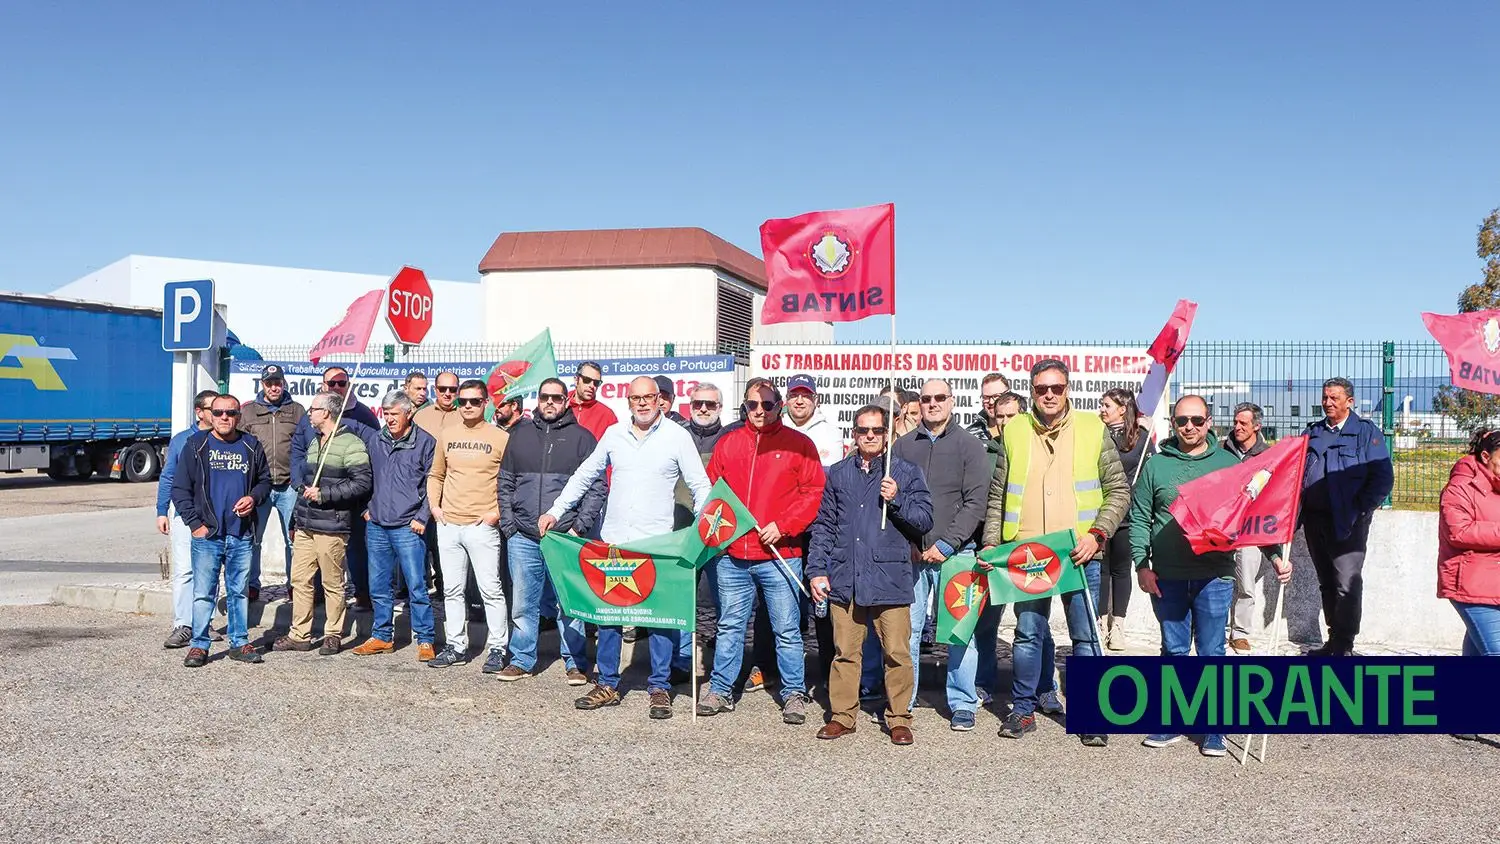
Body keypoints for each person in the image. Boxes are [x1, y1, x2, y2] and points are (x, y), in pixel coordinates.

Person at [541, 376, 712, 720]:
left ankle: (660, 686)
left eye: (650, 397)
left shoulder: (677, 437)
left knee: (660, 617)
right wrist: (556, 510)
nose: (644, 403)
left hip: (657, 544)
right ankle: (607, 682)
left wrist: (703, 526)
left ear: (661, 401)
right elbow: (585, 475)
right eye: (637, 398)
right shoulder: (614, 435)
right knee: (611, 617)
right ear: (628, 401)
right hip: (616, 542)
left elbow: (700, 485)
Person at [1131, 396, 1290, 757]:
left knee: (1212, 651)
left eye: (1197, 420)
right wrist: (1142, 565)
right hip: (1167, 576)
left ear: (1209, 422)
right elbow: (1140, 517)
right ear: (1173, 422)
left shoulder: (1228, 463)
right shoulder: (1156, 466)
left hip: (1215, 576)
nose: (1189, 427)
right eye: (1182, 420)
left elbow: (1253, 515)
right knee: (1172, 650)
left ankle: (1214, 727)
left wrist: (1277, 556)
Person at [981, 359, 1128, 746]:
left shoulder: (1093, 429)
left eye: (1056, 388)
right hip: (1028, 553)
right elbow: (998, 494)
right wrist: (992, 543)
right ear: (1031, 390)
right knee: (1028, 635)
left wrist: (1097, 534)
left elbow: (1119, 491)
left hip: (1080, 553)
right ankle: (1023, 710)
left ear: (1067, 389)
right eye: (1041, 388)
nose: (1049, 394)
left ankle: (1092, 716)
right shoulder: (1013, 430)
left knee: (1084, 638)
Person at [697, 382, 825, 725]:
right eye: (752, 404)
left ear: (779, 406)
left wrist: (783, 526)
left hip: (780, 553)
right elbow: (713, 492)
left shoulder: (800, 445)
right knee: (730, 625)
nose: (759, 410)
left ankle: (794, 692)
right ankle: (721, 689)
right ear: (744, 405)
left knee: (787, 629)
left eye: (767, 404)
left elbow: (813, 494)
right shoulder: (729, 442)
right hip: (734, 555)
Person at [808, 404, 933, 745]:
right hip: (845, 576)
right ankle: (843, 716)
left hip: (889, 578)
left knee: (897, 652)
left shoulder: (905, 472)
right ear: (855, 433)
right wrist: (817, 569)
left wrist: (897, 500)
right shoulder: (838, 473)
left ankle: (899, 718)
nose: (870, 437)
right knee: (845, 652)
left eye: (877, 431)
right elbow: (824, 525)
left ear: (887, 434)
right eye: (864, 431)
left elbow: (924, 521)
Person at [892, 379, 990, 731]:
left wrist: (946, 544)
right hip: (913, 556)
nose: (932, 404)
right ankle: (905, 698)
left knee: (960, 632)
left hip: (958, 554)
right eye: (926, 398)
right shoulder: (902, 447)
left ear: (952, 401)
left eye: (939, 398)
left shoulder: (970, 447)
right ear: (918, 404)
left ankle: (963, 702)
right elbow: (895, 501)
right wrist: (912, 543)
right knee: (909, 629)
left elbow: (976, 503)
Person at [498, 377, 606, 685]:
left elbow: (597, 488)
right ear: (538, 399)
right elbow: (505, 482)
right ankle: (521, 659)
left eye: (556, 398)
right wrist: (509, 524)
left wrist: (578, 527)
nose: (549, 402)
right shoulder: (519, 437)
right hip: (523, 534)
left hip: (565, 537)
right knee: (523, 602)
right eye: (545, 397)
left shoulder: (583, 439)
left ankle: (575, 662)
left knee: (568, 603)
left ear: (566, 401)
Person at [171, 394, 271, 668]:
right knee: (204, 592)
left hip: (240, 533)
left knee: (238, 592)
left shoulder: (250, 445)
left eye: (231, 413)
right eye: (219, 412)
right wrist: (196, 525)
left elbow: (265, 481)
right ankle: (199, 645)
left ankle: (239, 642)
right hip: (208, 535)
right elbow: (179, 490)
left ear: (239, 416)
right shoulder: (196, 445)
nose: (225, 417)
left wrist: (253, 498)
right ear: (209, 415)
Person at [272, 390, 373, 656]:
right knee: (301, 580)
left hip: (332, 525)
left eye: (313, 409)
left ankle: (332, 634)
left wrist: (325, 494)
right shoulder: (316, 441)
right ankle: (300, 634)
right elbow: (307, 482)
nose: (309, 414)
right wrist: (296, 517)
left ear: (326, 413)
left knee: (332, 582)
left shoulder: (351, 443)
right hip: (306, 523)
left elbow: (362, 482)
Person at [1300, 377, 1394, 656]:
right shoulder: (1312, 432)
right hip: (1315, 521)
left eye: (1335, 398)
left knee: (1346, 583)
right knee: (1327, 582)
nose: (1328, 403)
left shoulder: (1365, 433)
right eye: (1325, 398)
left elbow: (1382, 479)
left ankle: (1344, 644)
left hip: (1348, 523)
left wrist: (1359, 510)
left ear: (1349, 402)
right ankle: (1333, 640)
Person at [426, 379, 511, 670]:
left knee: (491, 590)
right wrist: (435, 508)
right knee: (451, 589)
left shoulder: (499, 437)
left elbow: (510, 481)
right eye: (463, 401)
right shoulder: (447, 435)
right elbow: (436, 474)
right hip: (449, 524)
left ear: (485, 403)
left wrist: (495, 514)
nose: (468, 406)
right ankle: (455, 646)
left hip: (482, 526)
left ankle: (498, 648)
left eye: (475, 401)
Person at [349, 390, 437, 661]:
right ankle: (382, 636)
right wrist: (366, 508)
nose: (389, 419)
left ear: (408, 413)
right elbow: (364, 477)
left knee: (416, 586)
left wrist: (422, 517)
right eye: (385, 414)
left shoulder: (425, 442)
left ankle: (425, 639)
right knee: (378, 585)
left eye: (394, 414)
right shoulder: (376, 440)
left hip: (409, 526)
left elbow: (432, 483)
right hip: (377, 525)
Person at [290, 366, 377, 608]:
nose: (337, 387)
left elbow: (373, 456)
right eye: (332, 383)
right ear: (323, 384)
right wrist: (299, 483)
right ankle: (313, 598)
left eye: (342, 383)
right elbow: (297, 452)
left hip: (349, 499)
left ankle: (363, 593)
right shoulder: (310, 419)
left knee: (356, 549)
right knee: (311, 552)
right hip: (311, 498)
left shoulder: (363, 416)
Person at [239, 364, 306, 603]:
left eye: (278, 382)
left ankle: (295, 586)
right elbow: (239, 446)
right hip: (260, 487)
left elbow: (307, 446)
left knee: (295, 541)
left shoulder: (297, 411)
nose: (274, 387)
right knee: (253, 538)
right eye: (269, 383)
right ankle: (252, 584)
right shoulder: (248, 413)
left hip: (289, 485)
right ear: (262, 385)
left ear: (284, 383)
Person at [157, 389, 218, 649]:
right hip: (184, 514)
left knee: (209, 570)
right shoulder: (182, 440)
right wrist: (161, 510)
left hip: (212, 514)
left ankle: (205, 622)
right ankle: (183, 625)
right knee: (184, 571)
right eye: (213, 409)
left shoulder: (224, 440)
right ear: (199, 412)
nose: (219, 415)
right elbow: (168, 476)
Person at [1098, 387, 1152, 651]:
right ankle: (1097, 623)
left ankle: (1117, 626)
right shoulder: (1097, 433)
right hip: (1098, 514)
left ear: (1122, 408)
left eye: (1107, 405)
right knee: (1099, 570)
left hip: (1127, 516)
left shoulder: (1142, 438)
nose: (1102, 409)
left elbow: (1148, 475)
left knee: (1120, 571)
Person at [1438, 430, 1500, 657]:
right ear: (1486, 456)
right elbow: (1458, 531)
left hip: (1493, 582)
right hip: (1471, 583)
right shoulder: (1460, 487)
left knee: (1477, 651)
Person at [1224, 401, 1273, 653]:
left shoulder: (1268, 456)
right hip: (1222, 527)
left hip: (1250, 528)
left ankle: (1240, 632)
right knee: (1216, 579)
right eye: (1235, 422)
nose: (1237, 427)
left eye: (1243, 423)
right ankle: (1214, 627)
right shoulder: (1222, 450)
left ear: (1257, 426)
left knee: (1246, 583)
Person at [785, 374, 845, 467]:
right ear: (787, 399)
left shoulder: (832, 433)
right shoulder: (775, 430)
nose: (799, 401)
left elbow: (828, 473)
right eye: (794, 395)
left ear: (816, 400)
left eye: (805, 396)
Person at [568, 361, 618, 441]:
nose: (592, 386)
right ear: (576, 380)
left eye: (596, 383)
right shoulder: (560, 406)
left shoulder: (607, 415)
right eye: (587, 380)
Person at [966, 373, 1014, 442]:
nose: (991, 402)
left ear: (1009, 395)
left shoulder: (1025, 429)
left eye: (996, 396)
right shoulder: (970, 435)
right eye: (986, 397)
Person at [414, 371, 463, 438]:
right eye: (442, 389)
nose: (447, 394)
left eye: (452, 389)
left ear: (458, 390)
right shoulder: (420, 416)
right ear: (435, 390)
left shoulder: (465, 416)